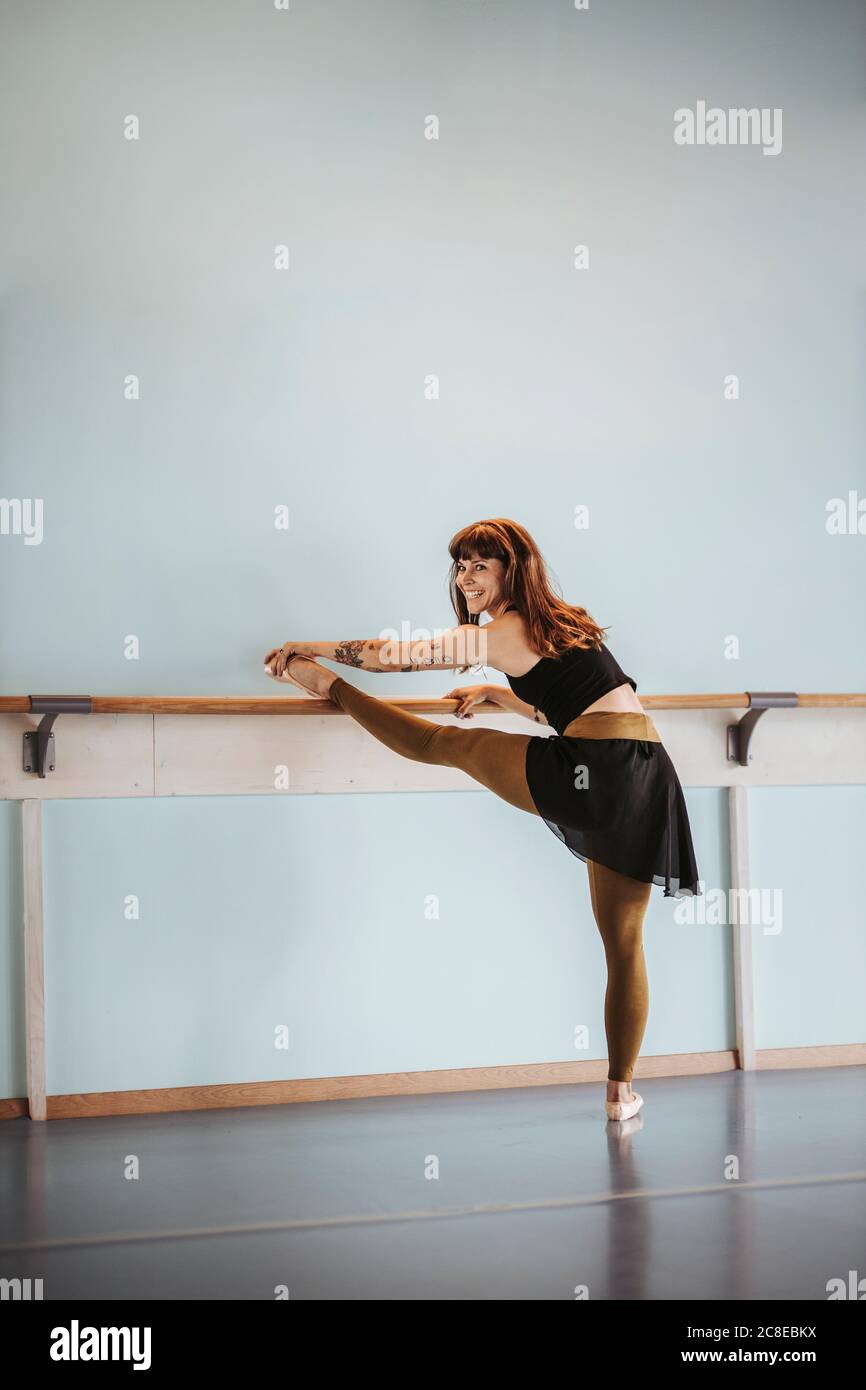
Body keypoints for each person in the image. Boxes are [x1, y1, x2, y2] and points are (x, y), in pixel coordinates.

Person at [263, 518, 701, 1123]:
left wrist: (311, 649)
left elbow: (395, 658)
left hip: (599, 767)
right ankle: (620, 1093)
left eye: (480, 566)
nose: (466, 577)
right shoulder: (563, 621)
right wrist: (504, 699)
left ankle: (329, 689)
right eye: (460, 566)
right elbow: (586, 704)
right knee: (624, 945)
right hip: (646, 772)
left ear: (511, 572)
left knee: (444, 744)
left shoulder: (504, 629)